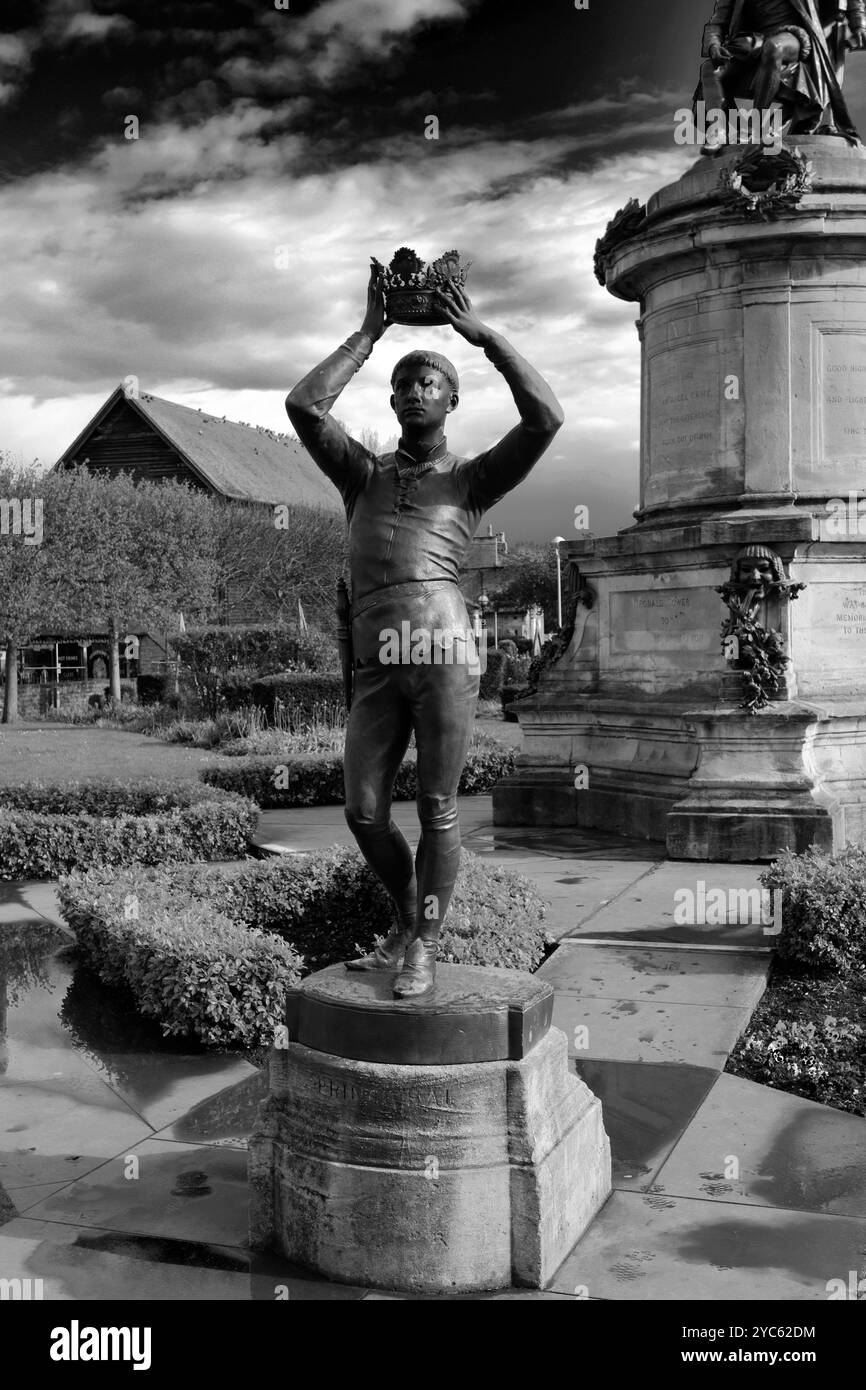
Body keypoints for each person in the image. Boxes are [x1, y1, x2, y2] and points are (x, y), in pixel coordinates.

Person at [285, 266, 563, 997]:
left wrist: (481, 337)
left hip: (442, 649)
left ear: (451, 399)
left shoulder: (470, 481)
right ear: (391, 397)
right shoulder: (361, 476)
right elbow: (304, 405)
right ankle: (408, 919)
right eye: (404, 382)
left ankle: (424, 946)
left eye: (429, 381)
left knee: (437, 806)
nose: (414, 390)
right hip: (377, 658)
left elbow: (546, 420)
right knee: (363, 810)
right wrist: (371, 332)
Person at [696, 0, 866, 153]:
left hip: (794, 34)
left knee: (774, 47)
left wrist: (860, 25)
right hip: (755, 40)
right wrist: (713, 45)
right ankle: (718, 129)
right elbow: (717, 23)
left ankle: (758, 128)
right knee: (709, 68)